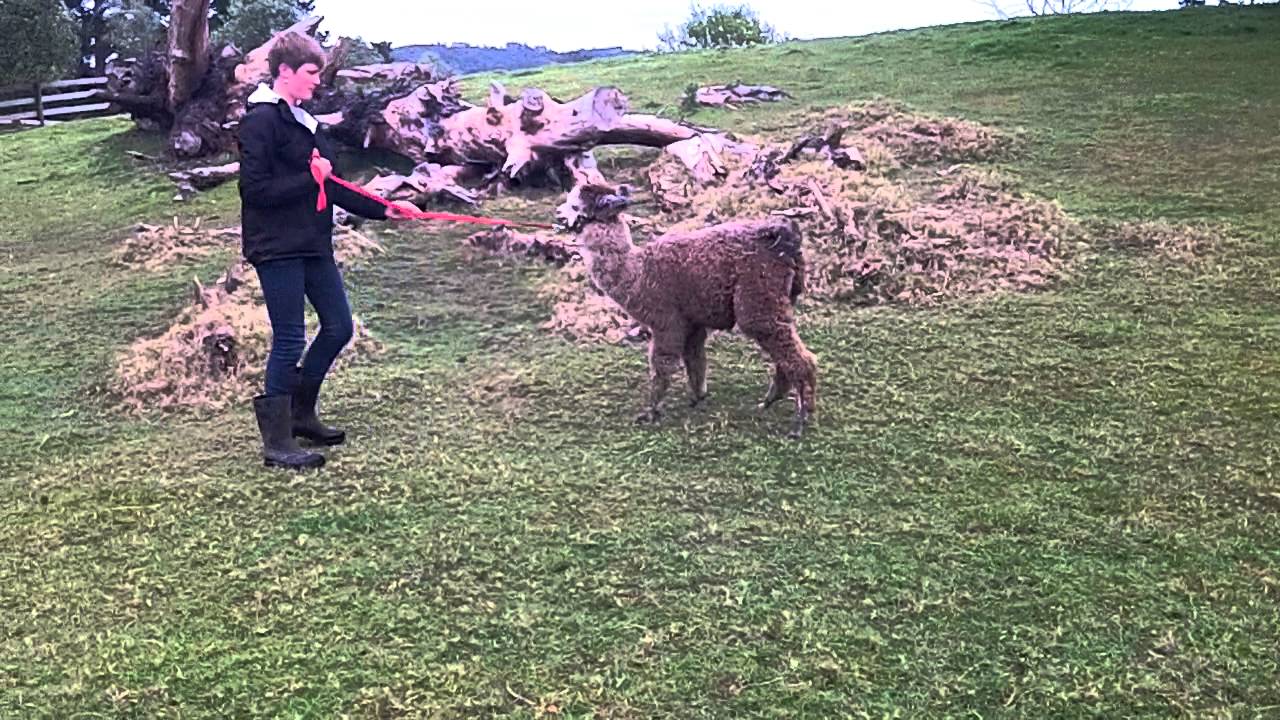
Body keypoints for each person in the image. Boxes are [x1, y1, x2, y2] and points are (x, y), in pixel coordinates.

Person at [238, 31, 418, 470]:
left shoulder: (306, 122)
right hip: (276, 246)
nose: (318, 81)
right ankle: (277, 443)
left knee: (338, 327)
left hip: (313, 242)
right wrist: (310, 179)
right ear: (284, 71)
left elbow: (332, 185)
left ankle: (301, 415)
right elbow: (255, 190)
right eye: (310, 72)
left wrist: (385, 209)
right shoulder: (260, 121)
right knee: (289, 339)